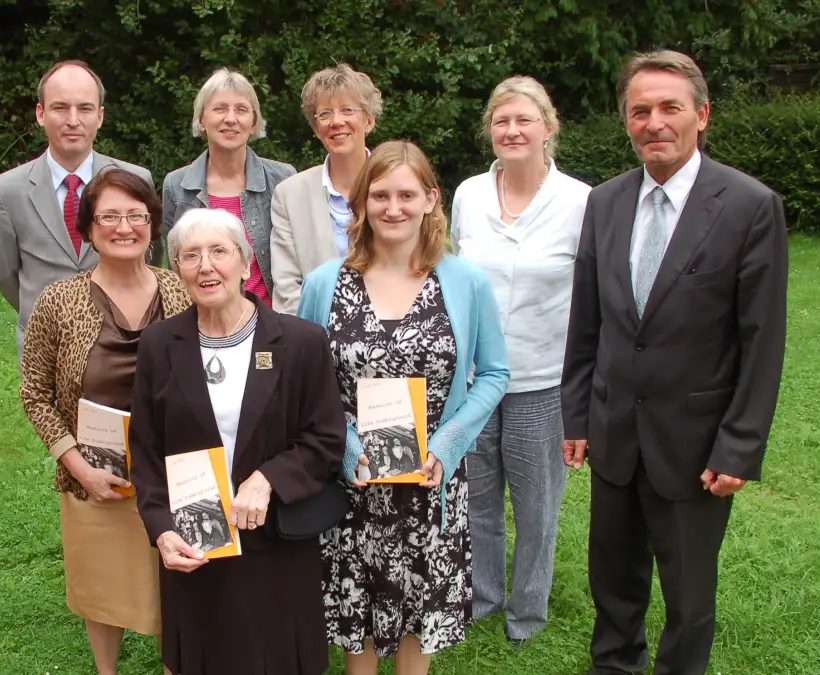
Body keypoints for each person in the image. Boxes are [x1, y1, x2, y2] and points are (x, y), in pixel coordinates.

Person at [561, 50, 787, 675]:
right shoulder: (605, 203)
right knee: (613, 587)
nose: (654, 122)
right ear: (626, 121)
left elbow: (762, 340)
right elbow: (587, 324)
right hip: (612, 436)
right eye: (640, 111)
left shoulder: (748, 205)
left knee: (688, 600)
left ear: (701, 115)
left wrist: (738, 446)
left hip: (695, 446)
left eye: (669, 108)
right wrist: (576, 416)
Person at [297, 141, 510, 675]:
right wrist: (347, 449)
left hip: (430, 480)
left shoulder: (464, 281)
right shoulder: (326, 282)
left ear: (431, 199)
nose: (394, 207)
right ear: (361, 202)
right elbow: (306, 382)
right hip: (354, 483)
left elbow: (494, 373)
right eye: (380, 194)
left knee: (423, 610)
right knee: (356, 610)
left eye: (407, 195)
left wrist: (448, 443)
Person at [128, 207, 347, 675]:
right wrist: (162, 530)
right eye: (190, 256)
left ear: (246, 264)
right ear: (178, 271)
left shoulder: (301, 342)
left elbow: (326, 438)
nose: (205, 266)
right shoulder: (159, 345)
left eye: (218, 252)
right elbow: (145, 455)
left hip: (276, 546)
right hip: (196, 549)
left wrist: (268, 479)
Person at [20, 169, 190, 675]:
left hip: (175, 473)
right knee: (102, 585)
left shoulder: (181, 292)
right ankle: (106, 670)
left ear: (153, 226)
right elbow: (34, 395)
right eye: (109, 216)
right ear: (88, 229)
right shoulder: (59, 301)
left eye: (135, 216)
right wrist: (78, 467)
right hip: (97, 478)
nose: (123, 227)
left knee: (174, 580)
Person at [451, 76, 591, 645]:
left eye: (524, 120)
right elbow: (454, 278)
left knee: (536, 507)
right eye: (502, 121)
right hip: (477, 379)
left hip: (544, 379)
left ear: (548, 129)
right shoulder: (468, 194)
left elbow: (595, 301)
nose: (512, 130)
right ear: (490, 129)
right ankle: (484, 597)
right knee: (477, 499)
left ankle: (527, 611)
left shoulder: (582, 201)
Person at [0, 60, 154, 362]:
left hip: (124, 343)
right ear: (41, 113)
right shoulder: (7, 191)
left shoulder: (136, 181)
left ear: (100, 116)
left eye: (85, 108)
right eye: (60, 108)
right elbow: (5, 274)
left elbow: (150, 259)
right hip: (45, 345)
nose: (73, 120)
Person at [162, 67, 295, 303]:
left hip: (269, 324)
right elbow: (173, 267)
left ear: (254, 122)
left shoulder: (283, 179)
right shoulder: (177, 185)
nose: (230, 119)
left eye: (241, 110)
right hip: (201, 320)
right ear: (202, 119)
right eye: (219, 108)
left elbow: (296, 262)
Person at [270, 63, 383, 314]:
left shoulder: (395, 186)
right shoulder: (289, 194)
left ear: (369, 120)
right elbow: (287, 287)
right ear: (316, 127)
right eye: (325, 114)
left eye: (347, 110)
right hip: (314, 338)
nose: (336, 121)